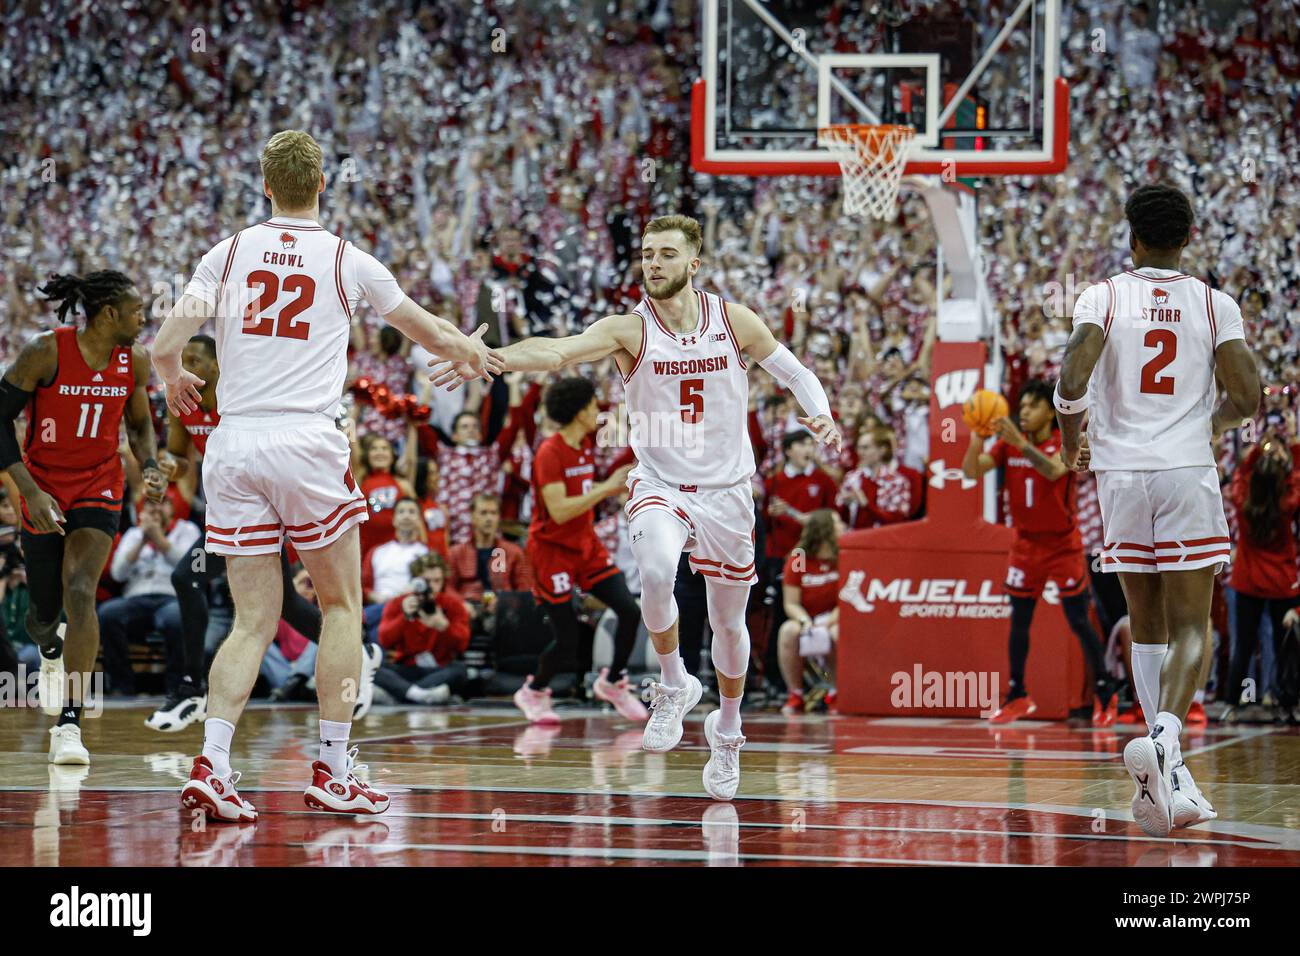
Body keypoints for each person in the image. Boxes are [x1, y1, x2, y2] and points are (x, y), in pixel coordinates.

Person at [153, 129, 499, 822]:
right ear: (320, 186)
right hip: (307, 441)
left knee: (252, 620)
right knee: (341, 607)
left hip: (236, 442)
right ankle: (334, 768)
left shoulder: (226, 252)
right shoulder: (347, 257)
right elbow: (425, 331)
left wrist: (175, 378)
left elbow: (164, 344)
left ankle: (213, 763)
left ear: (263, 184)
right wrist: (471, 351)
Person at [440, 214, 842, 800]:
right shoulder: (630, 329)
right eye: (648, 253)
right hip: (661, 483)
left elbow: (795, 372)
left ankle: (727, 731)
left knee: (729, 624)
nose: (652, 263)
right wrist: (494, 357)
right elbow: (557, 353)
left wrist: (821, 410)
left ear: (693, 264)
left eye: (666, 254)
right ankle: (674, 682)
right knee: (654, 571)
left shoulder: (732, 321)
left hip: (728, 493)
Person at [1056, 182, 1259, 837]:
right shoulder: (1212, 302)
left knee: (1144, 626)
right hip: (1183, 470)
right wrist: (1212, 423)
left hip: (1120, 475)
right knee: (1191, 626)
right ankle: (1167, 741)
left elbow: (1070, 377)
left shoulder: (1104, 296)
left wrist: (1070, 444)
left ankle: (1167, 781)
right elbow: (1250, 396)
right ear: (1189, 235)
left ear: (1132, 236)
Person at [0, 271, 167, 765]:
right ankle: (50, 648)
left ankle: (69, 723)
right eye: (137, 310)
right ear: (109, 313)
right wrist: (28, 490)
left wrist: (152, 464)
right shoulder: (44, 351)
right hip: (43, 483)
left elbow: (139, 425)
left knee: (81, 590)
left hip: (100, 482)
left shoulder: (133, 360)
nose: (144, 318)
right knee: (42, 616)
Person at [150, 333, 335, 733]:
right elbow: (180, 459)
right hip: (230, 515)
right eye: (184, 360)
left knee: (187, 577)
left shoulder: (244, 399)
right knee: (283, 602)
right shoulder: (185, 403)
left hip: (265, 510)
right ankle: (355, 645)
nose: (187, 367)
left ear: (218, 365)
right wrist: (168, 468)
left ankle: (190, 685)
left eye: (195, 360)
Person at [961, 379, 1118, 726]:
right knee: (1020, 618)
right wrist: (976, 436)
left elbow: (1051, 470)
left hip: (1062, 544)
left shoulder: (1066, 443)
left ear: (1051, 411)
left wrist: (1019, 444)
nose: (1025, 412)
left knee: (1077, 619)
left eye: (1033, 405)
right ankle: (1018, 695)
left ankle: (1106, 691)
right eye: (1024, 405)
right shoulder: (1006, 447)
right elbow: (971, 471)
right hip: (1026, 544)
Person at [510, 377, 645, 723]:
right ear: (578, 410)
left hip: (584, 545)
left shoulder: (584, 443)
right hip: (550, 550)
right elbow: (560, 510)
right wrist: (606, 489)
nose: (596, 409)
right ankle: (534, 690)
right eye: (591, 404)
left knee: (629, 611)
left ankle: (613, 682)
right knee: (567, 637)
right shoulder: (549, 452)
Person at [1223, 427, 1300, 718]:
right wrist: (1290, 445)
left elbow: (1241, 472)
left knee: (1242, 645)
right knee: (1286, 648)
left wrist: (1260, 446)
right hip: (1282, 581)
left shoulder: (1244, 502)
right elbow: (1297, 478)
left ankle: (1232, 704)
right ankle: (1288, 704)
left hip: (1247, 581)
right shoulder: (1287, 504)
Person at [98, 495, 200, 695]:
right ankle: (121, 685)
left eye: (162, 503)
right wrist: (142, 542)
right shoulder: (134, 534)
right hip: (136, 598)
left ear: (172, 508)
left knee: (177, 618)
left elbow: (193, 569)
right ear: (142, 512)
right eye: (151, 505)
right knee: (108, 614)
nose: (156, 509)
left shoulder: (187, 530)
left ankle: (176, 687)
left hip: (172, 597)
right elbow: (117, 574)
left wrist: (160, 541)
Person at [374, 553, 470, 706]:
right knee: (373, 668)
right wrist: (404, 618)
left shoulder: (453, 605)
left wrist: (444, 627)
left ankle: (402, 695)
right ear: (415, 580)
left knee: (460, 670)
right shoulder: (400, 603)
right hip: (406, 669)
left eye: (437, 581)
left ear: (443, 581)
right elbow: (384, 640)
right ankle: (421, 695)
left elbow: (462, 644)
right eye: (426, 581)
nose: (431, 586)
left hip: (438, 669)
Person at [776, 509, 843, 715]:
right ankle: (795, 694)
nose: (843, 526)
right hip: (808, 616)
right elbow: (791, 602)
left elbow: (847, 598)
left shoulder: (844, 555)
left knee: (836, 633)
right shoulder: (800, 557)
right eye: (837, 523)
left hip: (836, 615)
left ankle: (837, 690)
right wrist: (805, 621)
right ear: (825, 530)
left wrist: (829, 622)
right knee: (788, 631)